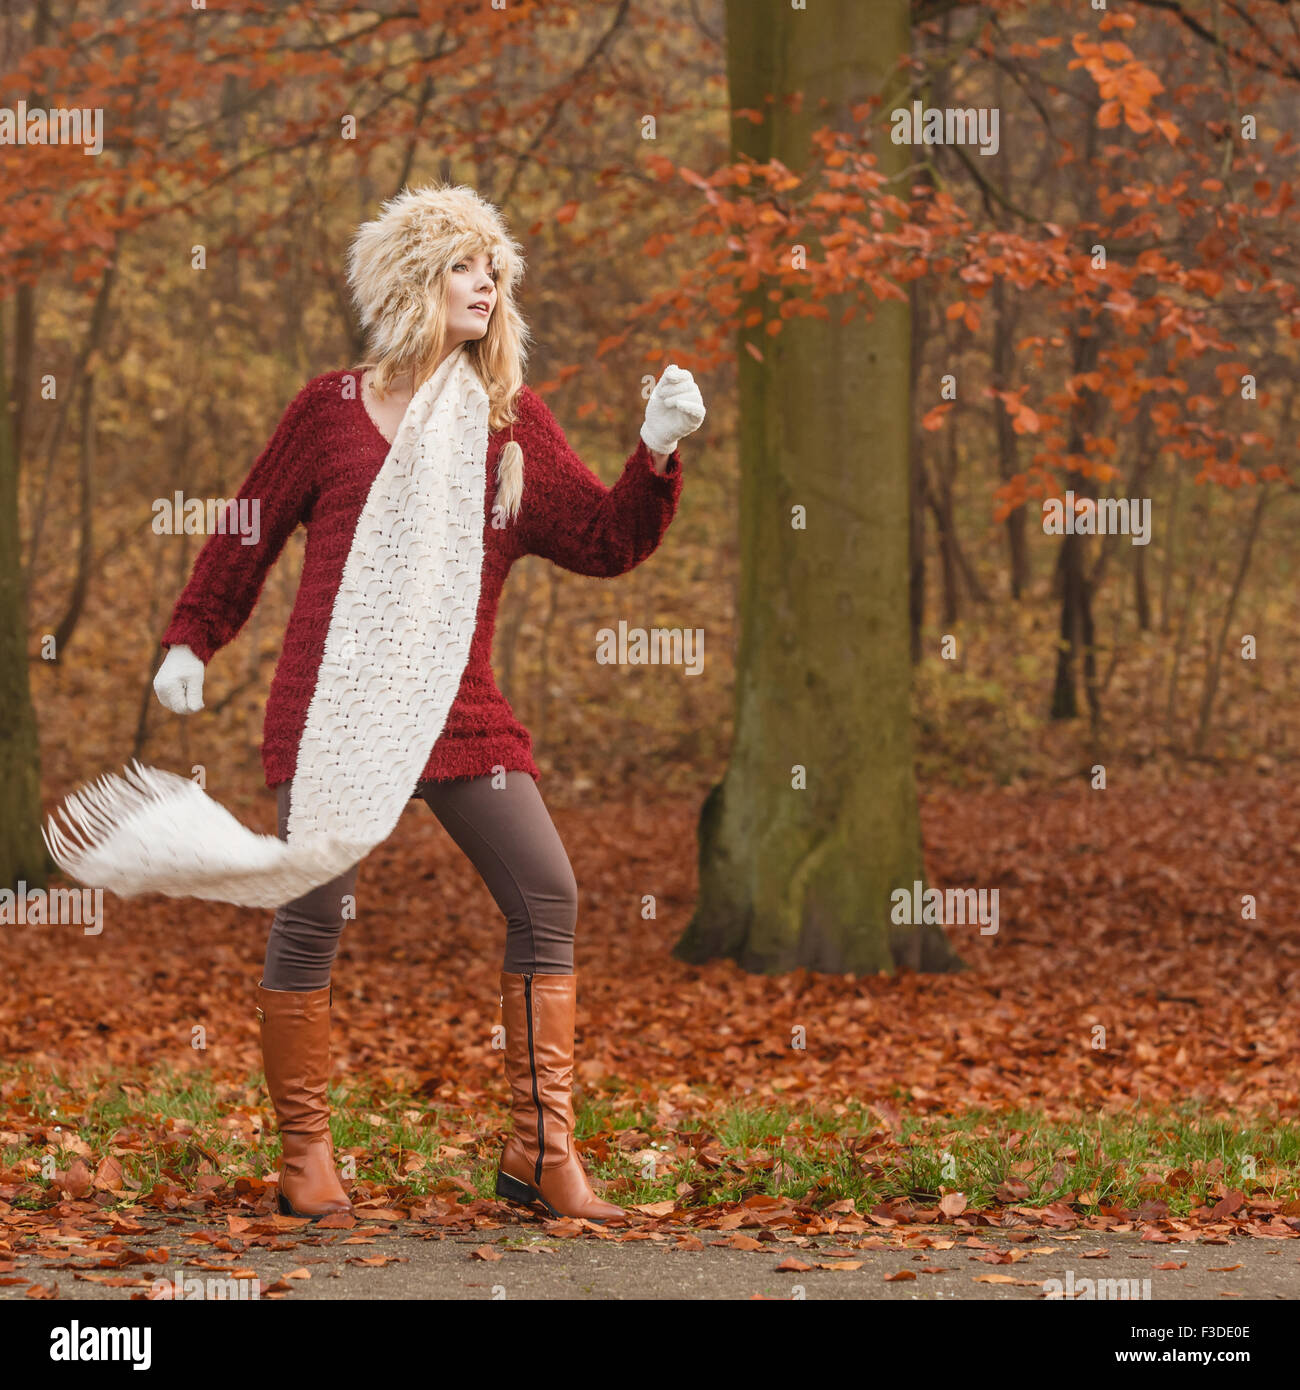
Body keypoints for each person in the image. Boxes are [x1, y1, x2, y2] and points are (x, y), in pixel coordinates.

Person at [151, 183, 706, 1224]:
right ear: (412, 281)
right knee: (311, 913)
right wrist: (194, 634)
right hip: (337, 705)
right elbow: (247, 527)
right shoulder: (329, 410)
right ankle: (306, 1158)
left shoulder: (509, 421)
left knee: (548, 894)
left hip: (458, 710)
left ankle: (539, 1156)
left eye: (493, 266)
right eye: (462, 264)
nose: (485, 282)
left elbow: (603, 540)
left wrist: (656, 451)